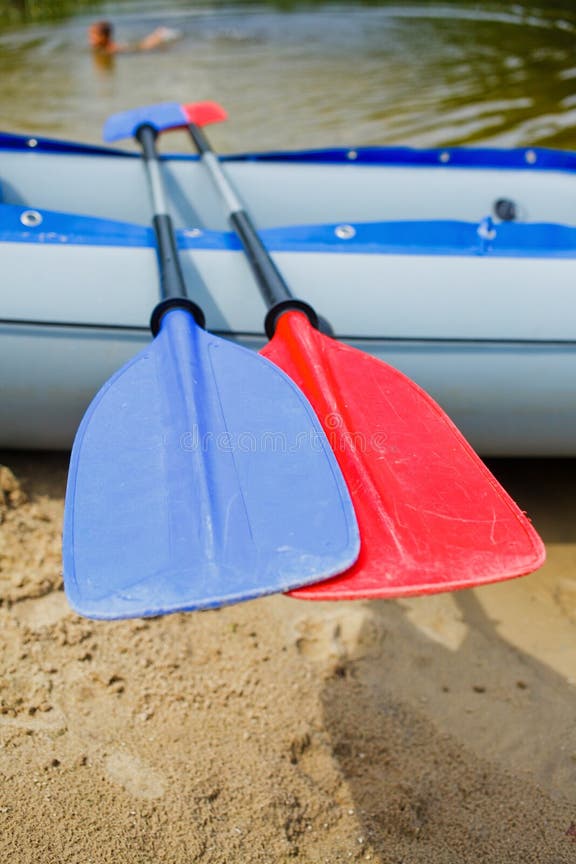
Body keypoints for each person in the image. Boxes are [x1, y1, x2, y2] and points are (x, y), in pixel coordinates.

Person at [88, 20, 178, 54]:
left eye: (93, 36)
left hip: (138, 49)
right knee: (143, 43)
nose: (90, 39)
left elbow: (138, 50)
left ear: (104, 37)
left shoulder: (112, 50)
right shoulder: (103, 49)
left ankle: (158, 35)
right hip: (133, 46)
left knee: (145, 46)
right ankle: (157, 34)